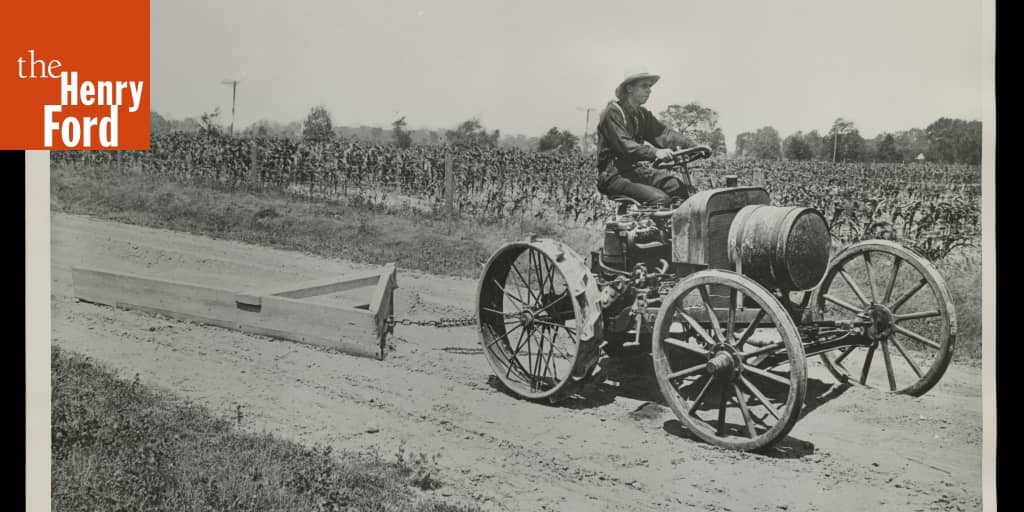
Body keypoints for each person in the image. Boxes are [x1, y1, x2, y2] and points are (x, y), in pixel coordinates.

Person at [595, 70, 698, 205]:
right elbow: (626, 146)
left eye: (650, 86)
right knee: (660, 200)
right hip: (613, 175)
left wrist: (694, 147)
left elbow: (664, 134)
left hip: (635, 171)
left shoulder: (642, 115)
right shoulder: (612, 112)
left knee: (677, 187)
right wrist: (655, 152)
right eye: (644, 86)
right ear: (629, 88)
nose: (649, 90)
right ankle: (654, 225)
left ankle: (677, 224)